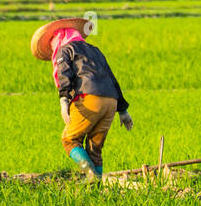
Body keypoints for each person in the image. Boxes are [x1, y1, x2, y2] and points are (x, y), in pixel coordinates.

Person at [30, 17, 133, 179]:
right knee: (95, 149)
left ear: (58, 39)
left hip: (89, 99)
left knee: (69, 140)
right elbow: (111, 78)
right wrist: (123, 110)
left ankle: (91, 175)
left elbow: (65, 76)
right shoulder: (95, 50)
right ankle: (96, 190)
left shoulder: (65, 50)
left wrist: (63, 101)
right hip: (111, 102)